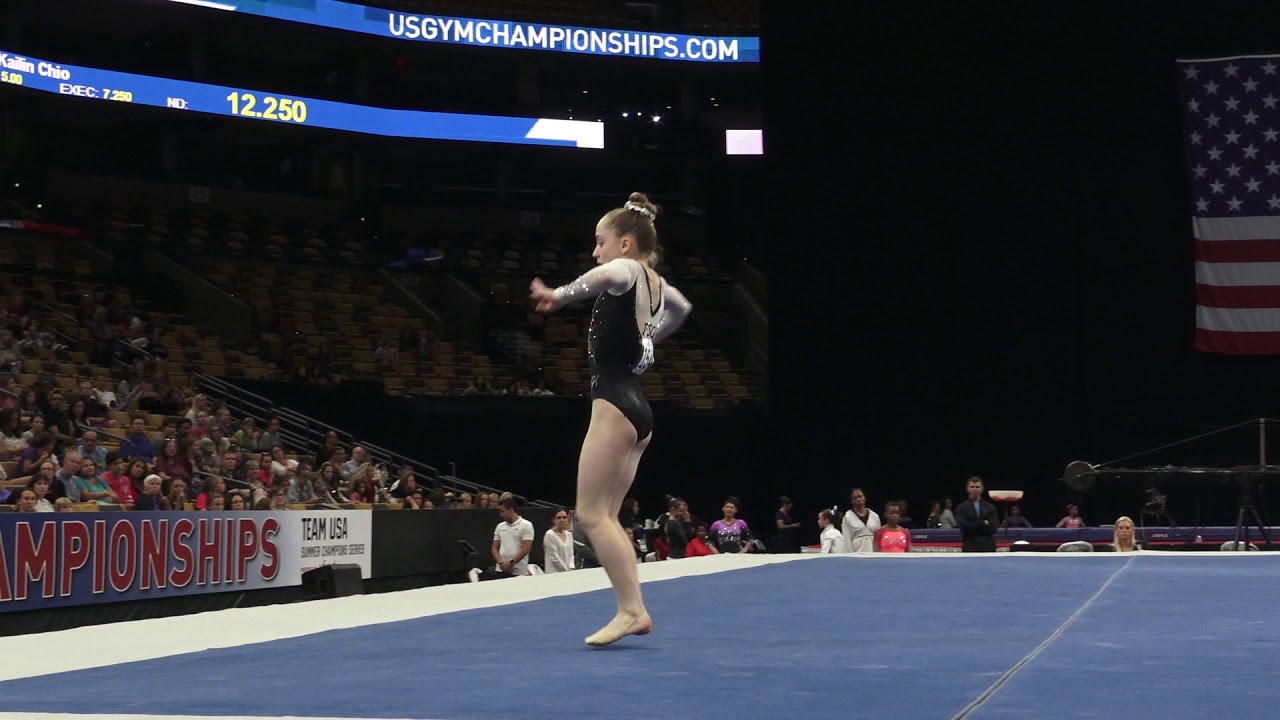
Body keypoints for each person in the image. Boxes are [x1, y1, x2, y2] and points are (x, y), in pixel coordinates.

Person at [528, 192, 692, 646]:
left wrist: (558, 295)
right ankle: (631, 608)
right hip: (638, 410)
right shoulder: (659, 286)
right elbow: (683, 309)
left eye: (600, 241)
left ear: (624, 243)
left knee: (590, 515)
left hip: (614, 407)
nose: (595, 250)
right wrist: (653, 337)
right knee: (608, 517)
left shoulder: (626, 270)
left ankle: (632, 609)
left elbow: (604, 275)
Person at [956, 476, 999, 552]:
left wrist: (973, 525)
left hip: (988, 547)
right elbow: (964, 527)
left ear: (982, 488)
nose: (975, 489)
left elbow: (993, 528)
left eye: (977, 487)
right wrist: (982, 523)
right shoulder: (961, 508)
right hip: (970, 547)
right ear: (967, 488)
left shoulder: (990, 507)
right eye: (972, 487)